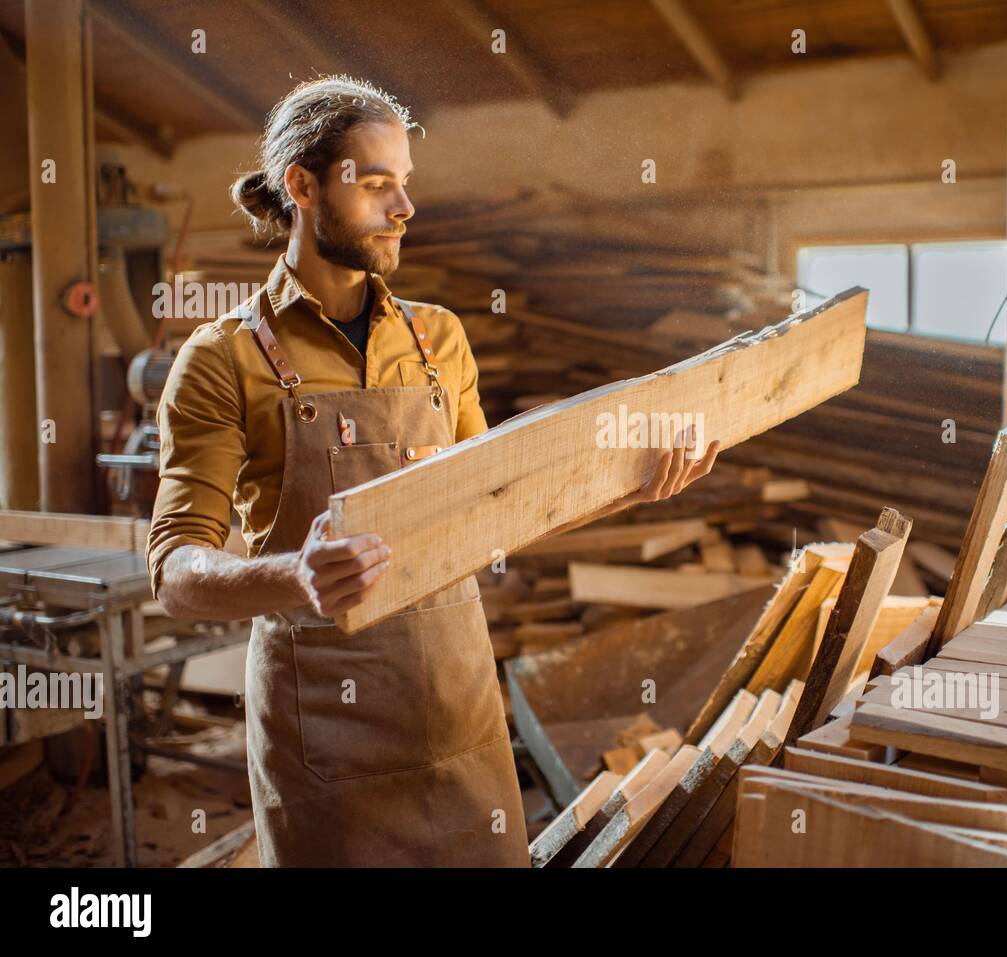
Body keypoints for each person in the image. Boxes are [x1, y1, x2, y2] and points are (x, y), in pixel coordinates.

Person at [147, 75, 720, 866]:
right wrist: (297, 577)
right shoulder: (223, 359)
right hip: (326, 740)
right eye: (377, 183)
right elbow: (175, 570)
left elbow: (498, 508)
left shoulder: (437, 340)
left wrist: (639, 477)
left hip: (457, 715)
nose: (403, 208)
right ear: (304, 186)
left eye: (404, 184)